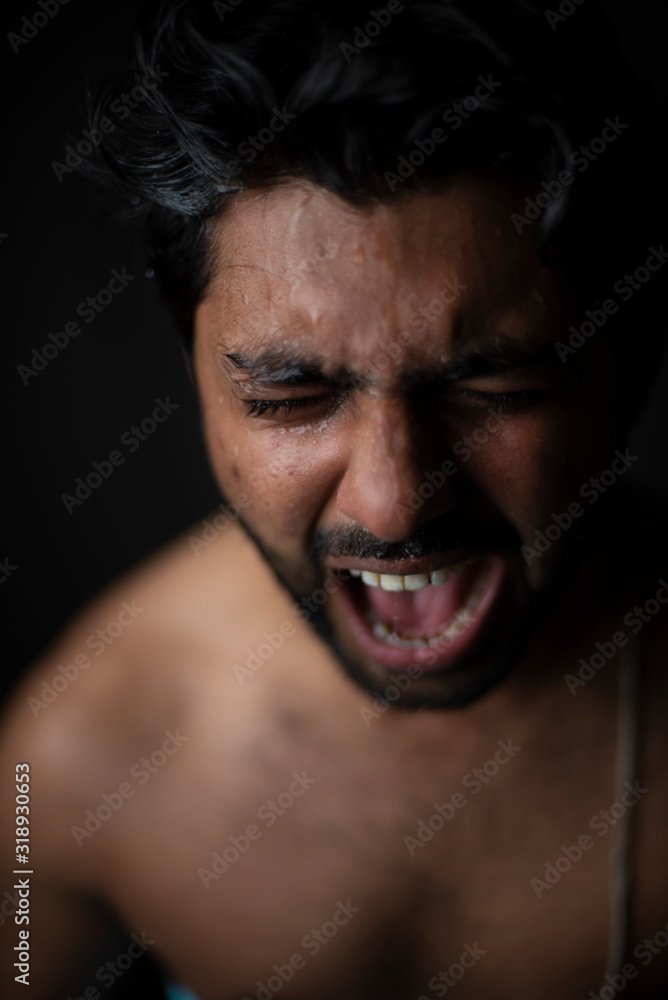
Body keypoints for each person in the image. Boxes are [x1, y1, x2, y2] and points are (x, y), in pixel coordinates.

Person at [2, 0, 668, 997]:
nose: (395, 503)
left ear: (631, 364)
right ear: (196, 379)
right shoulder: (76, 761)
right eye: (289, 398)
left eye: (497, 393)